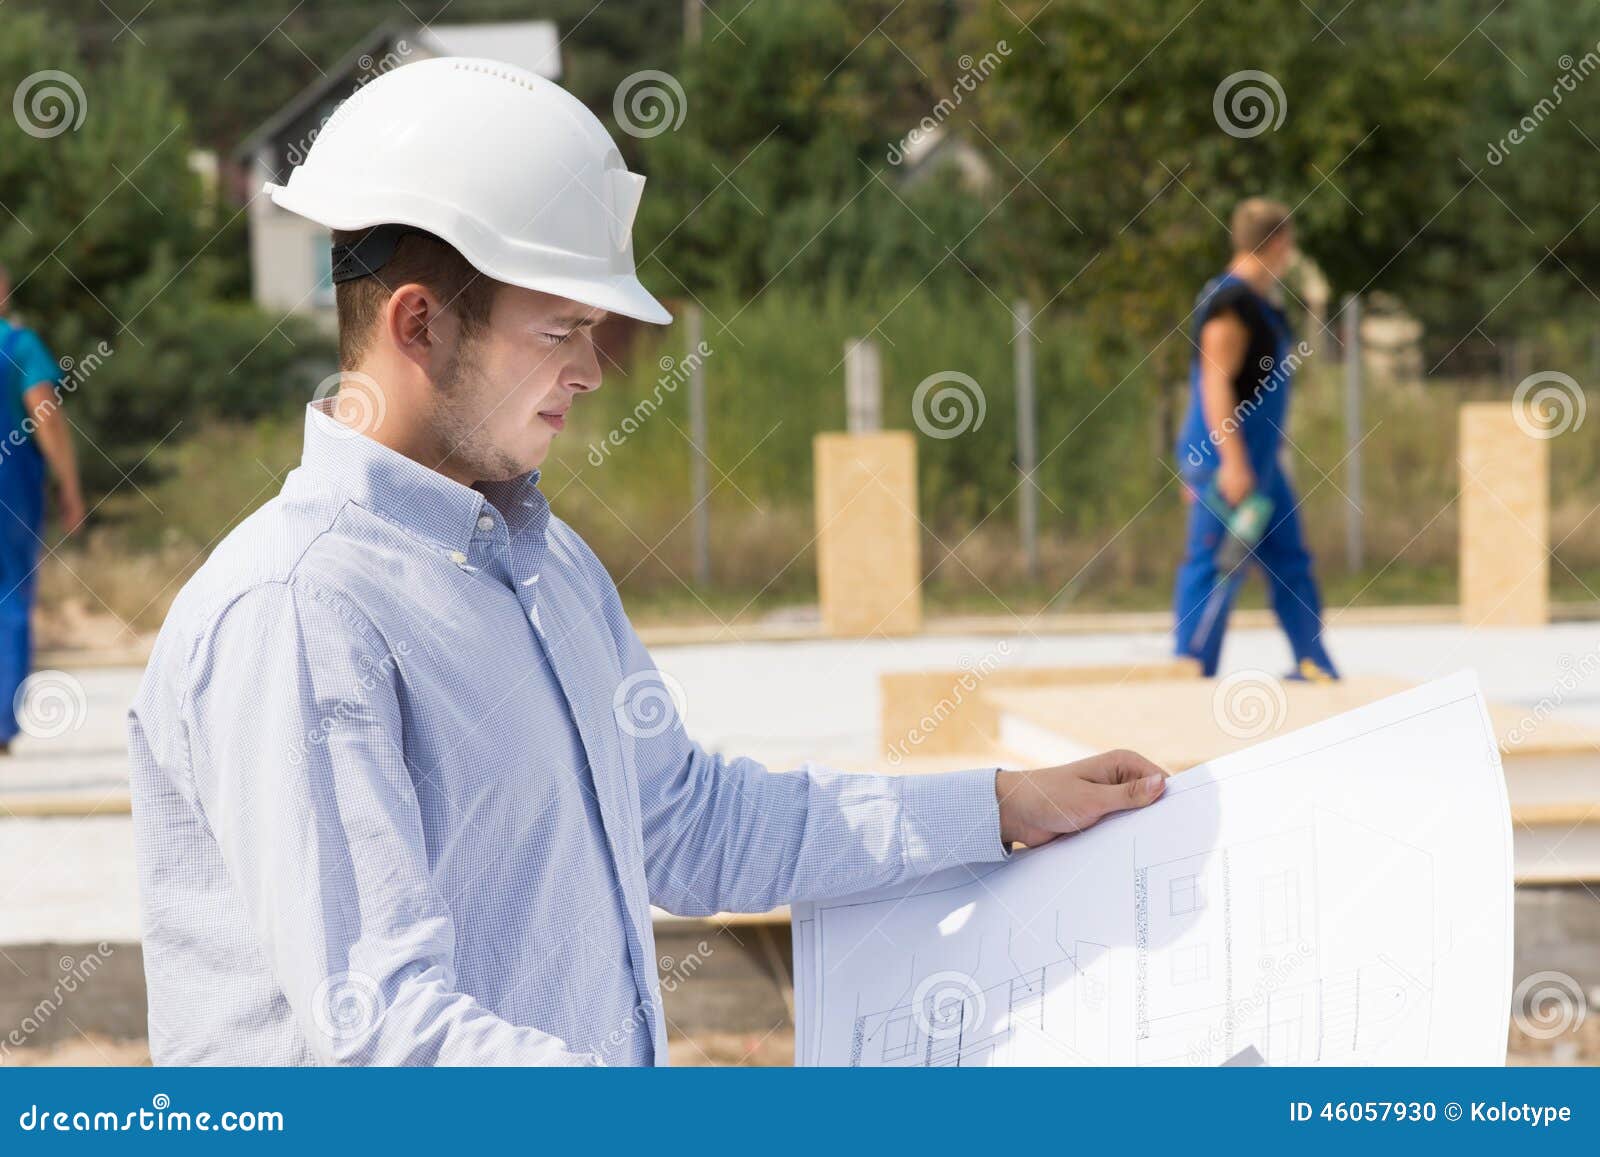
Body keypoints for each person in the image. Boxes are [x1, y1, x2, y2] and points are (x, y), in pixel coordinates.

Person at [127, 58, 1169, 1066]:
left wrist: (997, 805)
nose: (589, 370)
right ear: (421, 323)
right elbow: (382, 1024)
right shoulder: (299, 607)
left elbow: (688, 821)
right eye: (560, 330)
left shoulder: (542, 564)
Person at [1171, 198, 1338, 681]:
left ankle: (1315, 663)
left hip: (1262, 467)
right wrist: (1230, 462)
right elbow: (1215, 381)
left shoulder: (1261, 302)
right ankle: (1191, 672)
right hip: (1233, 463)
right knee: (1215, 570)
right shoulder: (1231, 303)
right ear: (1280, 242)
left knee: (1291, 562)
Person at [0, 263, 85, 752]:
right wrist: (69, 485)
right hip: (10, 483)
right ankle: (1, 725)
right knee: (11, 596)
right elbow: (46, 417)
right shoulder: (19, 345)